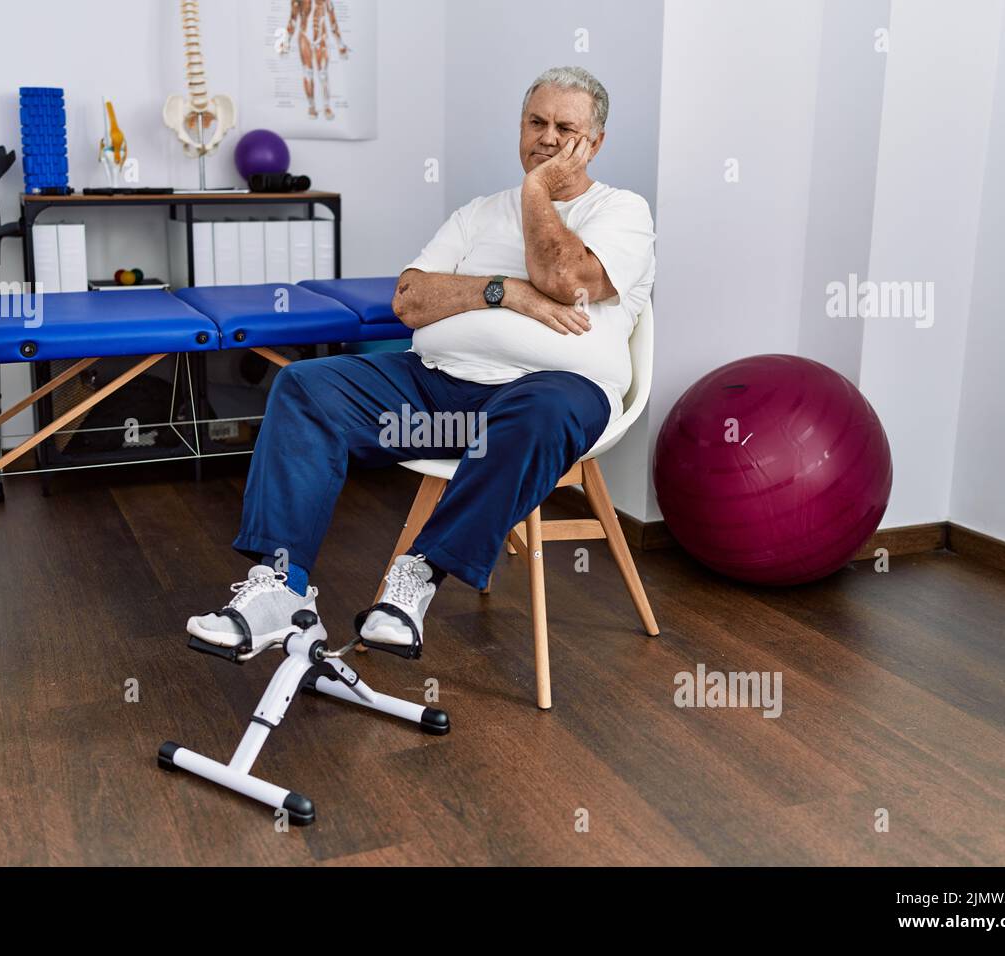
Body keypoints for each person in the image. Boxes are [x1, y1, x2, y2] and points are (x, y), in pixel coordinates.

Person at [187, 65, 656, 659]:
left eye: (566, 127)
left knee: (539, 409)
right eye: (536, 122)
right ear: (519, 126)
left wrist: (536, 193)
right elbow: (409, 300)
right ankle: (282, 587)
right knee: (305, 388)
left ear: (596, 143)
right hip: (439, 407)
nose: (547, 138)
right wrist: (501, 290)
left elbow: (564, 278)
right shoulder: (477, 213)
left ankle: (417, 580)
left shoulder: (622, 213)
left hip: (550, 400)